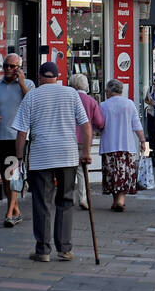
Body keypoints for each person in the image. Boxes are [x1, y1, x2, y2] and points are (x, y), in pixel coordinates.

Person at [12, 61, 91, 261]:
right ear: (58, 77)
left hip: (41, 156)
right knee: (65, 200)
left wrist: (19, 158)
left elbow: (22, 132)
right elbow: (86, 126)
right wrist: (86, 152)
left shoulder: (32, 95)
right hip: (67, 154)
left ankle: (43, 250)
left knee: (42, 202)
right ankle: (64, 249)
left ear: (40, 77)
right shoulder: (71, 94)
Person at [0, 53, 34, 227]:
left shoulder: (28, 85)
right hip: (0, 136)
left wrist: (22, 83)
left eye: (12, 66)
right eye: (6, 66)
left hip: (17, 137)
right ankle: (15, 211)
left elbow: (31, 103)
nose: (8, 69)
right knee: (6, 176)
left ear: (19, 68)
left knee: (14, 175)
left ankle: (10, 213)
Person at [97, 78, 147, 212]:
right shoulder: (129, 104)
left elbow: (99, 125)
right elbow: (137, 125)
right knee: (124, 174)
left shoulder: (103, 105)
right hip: (127, 145)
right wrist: (143, 141)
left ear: (108, 91)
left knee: (112, 174)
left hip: (109, 145)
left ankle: (117, 200)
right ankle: (119, 200)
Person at [68, 74, 104, 210]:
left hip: (69, 139)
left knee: (69, 169)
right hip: (85, 139)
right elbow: (100, 122)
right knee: (82, 171)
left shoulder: (69, 99)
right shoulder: (91, 100)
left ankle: (68, 196)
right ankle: (83, 198)